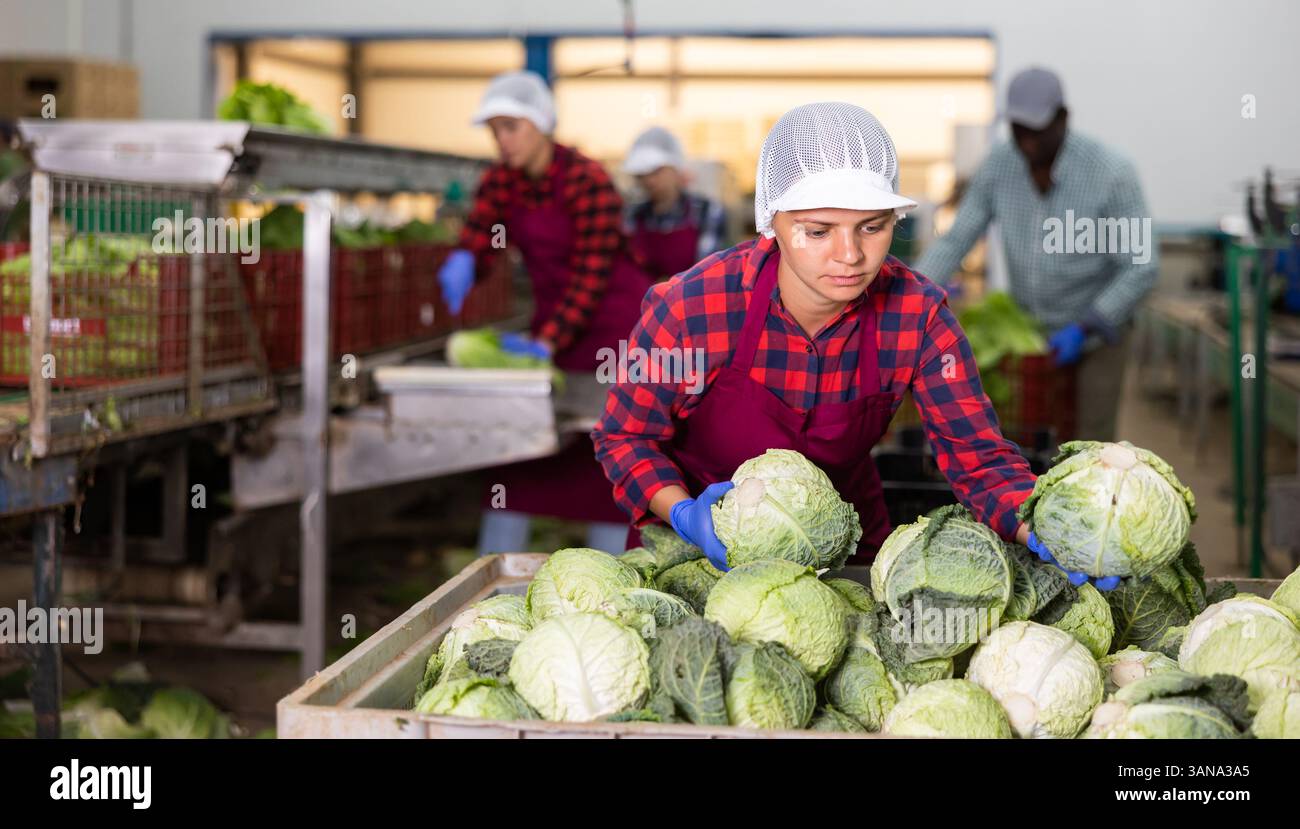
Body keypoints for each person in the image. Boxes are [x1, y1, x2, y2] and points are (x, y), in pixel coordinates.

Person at [592, 102, 1118, 590]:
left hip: (848, 540)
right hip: (695, 546)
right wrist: (685, 512)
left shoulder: (917, 316)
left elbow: (978, 459)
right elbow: (625, 438)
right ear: (770, 222)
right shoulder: (691, 308)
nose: (850, 255)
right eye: (818, 231)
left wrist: (1042, 529)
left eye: (872, 227)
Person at [438, 70, 653, 556]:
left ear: (541, 126)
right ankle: (501, 584)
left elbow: (592, 274)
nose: (502, 140)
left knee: (606, 455)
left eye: (511, 128)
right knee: (521, 452)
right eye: (494, 130)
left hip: (612, 334)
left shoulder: (587, 180)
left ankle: (611, 578)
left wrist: (548, 341)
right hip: (555, 329)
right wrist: (467, 257)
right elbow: (482, 226)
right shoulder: (503, 180)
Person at [914, 67, 1158, 442]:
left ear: (1062, 119)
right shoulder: (999, 165)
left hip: (1096, 333)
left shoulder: (1111, 173)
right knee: (1030, 434)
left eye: (1036, 129)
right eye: (1017, 127)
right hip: (1031, 331)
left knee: (1090, 439)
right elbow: (955, 240)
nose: (1026, 140)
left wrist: (1087, 325)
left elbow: (1141, 266)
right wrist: (910, 298)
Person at [622, 126, 728, 281]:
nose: (649, 180)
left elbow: (707, 272)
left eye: (656, 171)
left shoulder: (707, 211)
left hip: (691, 301)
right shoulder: (632, 215)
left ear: (675, 167)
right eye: (642, 175)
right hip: (643, 303)